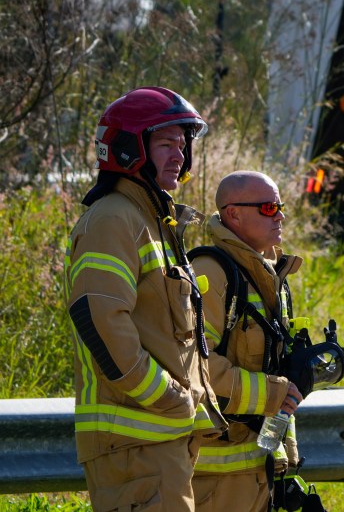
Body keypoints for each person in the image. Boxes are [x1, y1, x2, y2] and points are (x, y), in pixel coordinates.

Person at [66, 86, 228, 511]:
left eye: (183, 143)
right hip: (136, 447)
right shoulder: (113, 218)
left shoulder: (152, 220)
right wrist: (169, 397)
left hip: (161, 444)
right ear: (127, 149)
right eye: (165, 143)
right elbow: (99, 320)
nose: (180, 155)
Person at [189, 171, 306, 511]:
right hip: (214, 479)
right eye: (269, 207)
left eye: (280, 206)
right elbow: (196, 365)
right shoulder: (210, 273)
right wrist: (274, 393)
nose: (280, 215)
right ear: (234, 214)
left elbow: (273, 369)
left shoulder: (269, 276)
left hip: (259, 470)